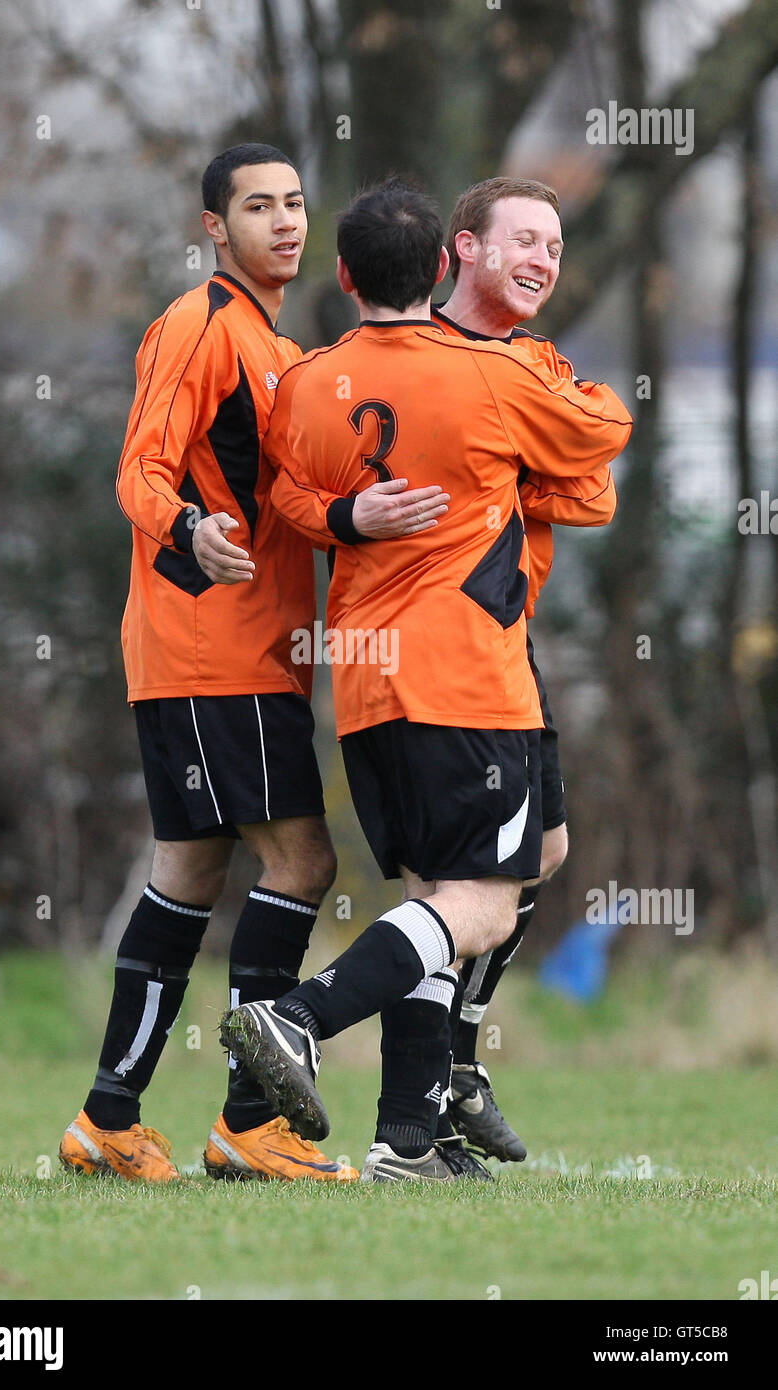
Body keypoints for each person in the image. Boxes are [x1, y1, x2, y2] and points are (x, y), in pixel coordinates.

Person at [220, 178, 632, 1165]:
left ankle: (411, 1131)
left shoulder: (311, 380)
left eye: (553, 243)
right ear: (453, 257)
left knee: (448, 895)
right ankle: (301, 1022)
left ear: (344, 273)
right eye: (523, 238)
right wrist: (522, 443)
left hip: (367, 682)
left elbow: (280, 489)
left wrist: (347, 514)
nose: (541, 257)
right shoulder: (502, 377)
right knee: (480, 899)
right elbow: (601, 447)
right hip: (463, 673)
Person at [58, 143, 444, 1186]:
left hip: (247, 653)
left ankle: (107, 1121)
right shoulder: (198, 325)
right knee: (302, 862)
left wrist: (358, 517)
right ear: (212, 229)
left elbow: (282, 498)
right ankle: (245, 1121)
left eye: (293, 203)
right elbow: (137, 470)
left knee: (187, 868)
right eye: (256, 206)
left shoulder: (273, 344)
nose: (283, 220)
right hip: (207, 647)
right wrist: (188, 528)